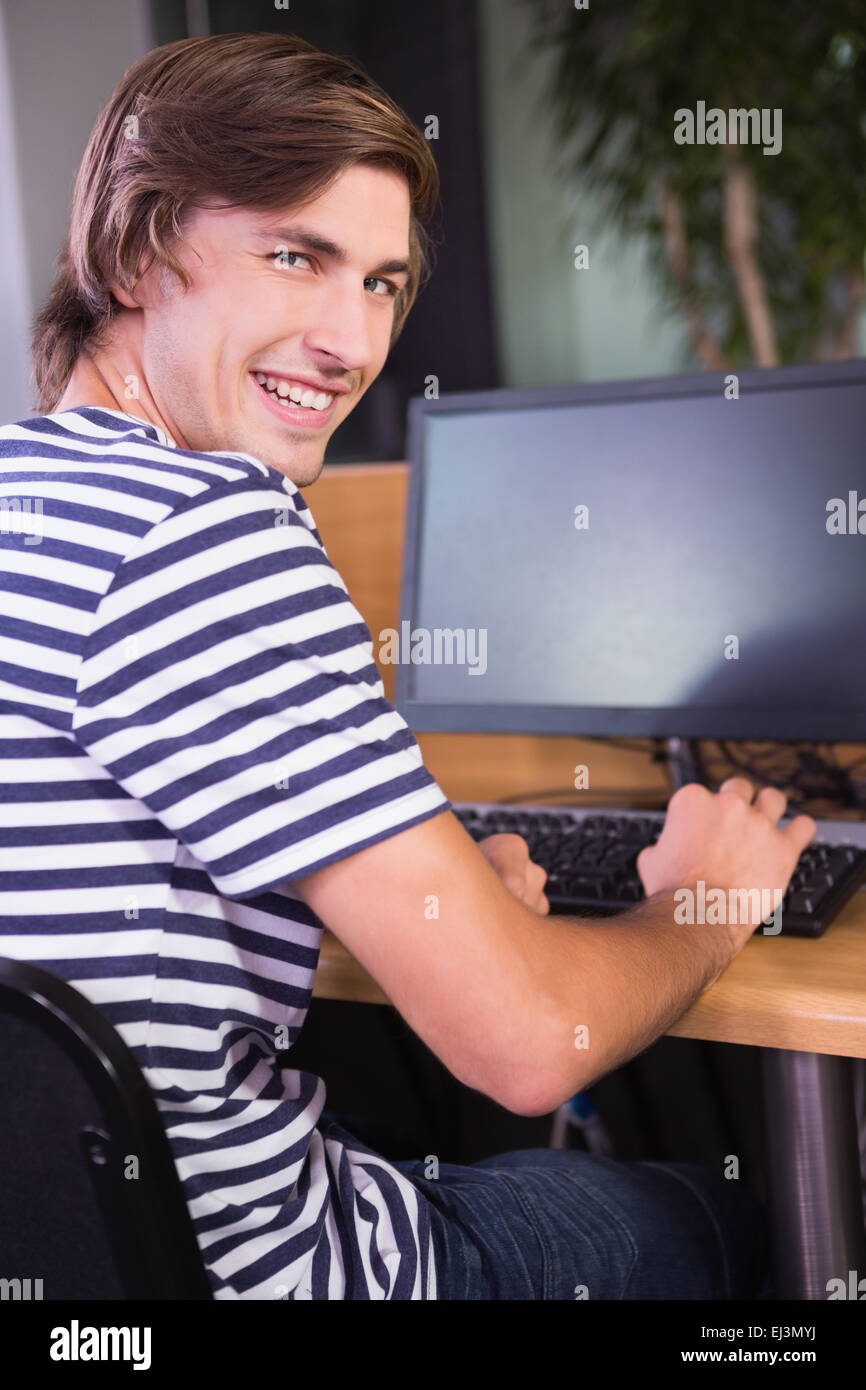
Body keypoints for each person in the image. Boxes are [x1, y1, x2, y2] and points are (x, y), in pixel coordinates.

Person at [0, 31, 814, 1300]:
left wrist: (441, 912)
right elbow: (533, 1044)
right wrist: (703, 896)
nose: (348, 339)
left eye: (380, 283)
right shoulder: (205, 533)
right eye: (294, 257)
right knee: (688, 1210)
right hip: (259, 1274)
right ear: (132, 252)